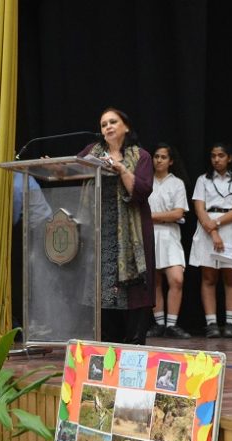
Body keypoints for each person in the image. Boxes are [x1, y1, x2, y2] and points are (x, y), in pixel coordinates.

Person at [77, 108, 155, 345]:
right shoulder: (92, 152)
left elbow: (142, 191)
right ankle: (106, 343)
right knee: (103, 286)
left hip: (132, 234)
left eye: (113, 122)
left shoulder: (141, 156)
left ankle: (133, 343)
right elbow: (72, 171)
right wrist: (56, 168)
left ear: (126, 127)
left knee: (133, 290)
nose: (108, 127)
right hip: (99, 231)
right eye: (104, 124)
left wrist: (121, 168)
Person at [189, 142, 232, 338]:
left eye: (221, 155)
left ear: (229, 158)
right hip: (207, 229)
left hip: (231, 228)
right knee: (209, 277)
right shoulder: (203, 180)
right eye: (213, 156)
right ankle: (211, 323)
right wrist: (213, 231)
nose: (216, 159)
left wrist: (217, 223)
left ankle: (231, 323)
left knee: (231, 277)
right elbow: (199, 208)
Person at [147, 143, 191, 339]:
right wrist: (164, 216)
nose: (159, 160)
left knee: (176, 279)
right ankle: (159, 324)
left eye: (163, 157)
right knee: (154, 280)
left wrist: (152, 216)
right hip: (150, 234)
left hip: (170, 235)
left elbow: (178, 213)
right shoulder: (146, 181)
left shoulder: (177, 183)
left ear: (171, 161)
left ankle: (172, 324)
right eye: (156, 156)